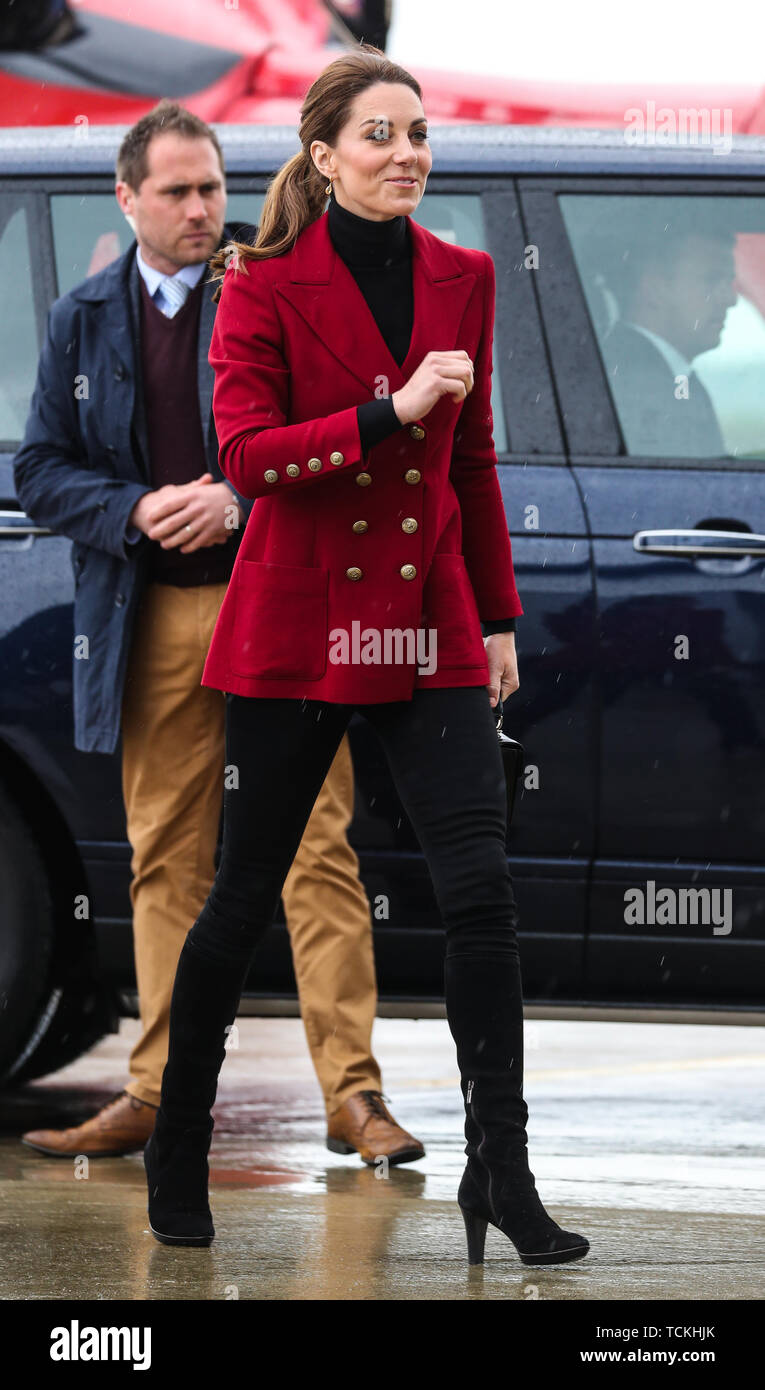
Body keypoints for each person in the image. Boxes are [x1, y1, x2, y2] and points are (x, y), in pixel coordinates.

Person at [144, 43, 590, 1269]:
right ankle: (179, 1152)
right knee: (241, 897)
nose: (409, 154)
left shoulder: (468, 275)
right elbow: (245, 459)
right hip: (298, 624)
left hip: (432, 623)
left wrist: (497, 618)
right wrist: (389, 409)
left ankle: (504, 1173)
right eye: (382, 136)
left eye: (419, 133)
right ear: (326, 154)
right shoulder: (262, 281)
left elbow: (472, 466)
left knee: (483, 894)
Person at [13, 100, 424, 1169]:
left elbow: (341, 441)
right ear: (128, 198)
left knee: (315, 850)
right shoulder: (84, 315)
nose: (205, 210)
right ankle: (154, 1090)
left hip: (282, 599)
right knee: (165, 860)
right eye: (180, 192)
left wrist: (239, 501)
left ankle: (355, 1096)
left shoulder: (277, 284)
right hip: (149, 611)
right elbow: (42, 468)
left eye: (214, 189)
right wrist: (137, 511)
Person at [600, 216, 737, 456]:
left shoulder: (654, 375)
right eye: (712, 280)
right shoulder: (631, 383)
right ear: (655, 289)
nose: (731, 299)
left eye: (729, 281)